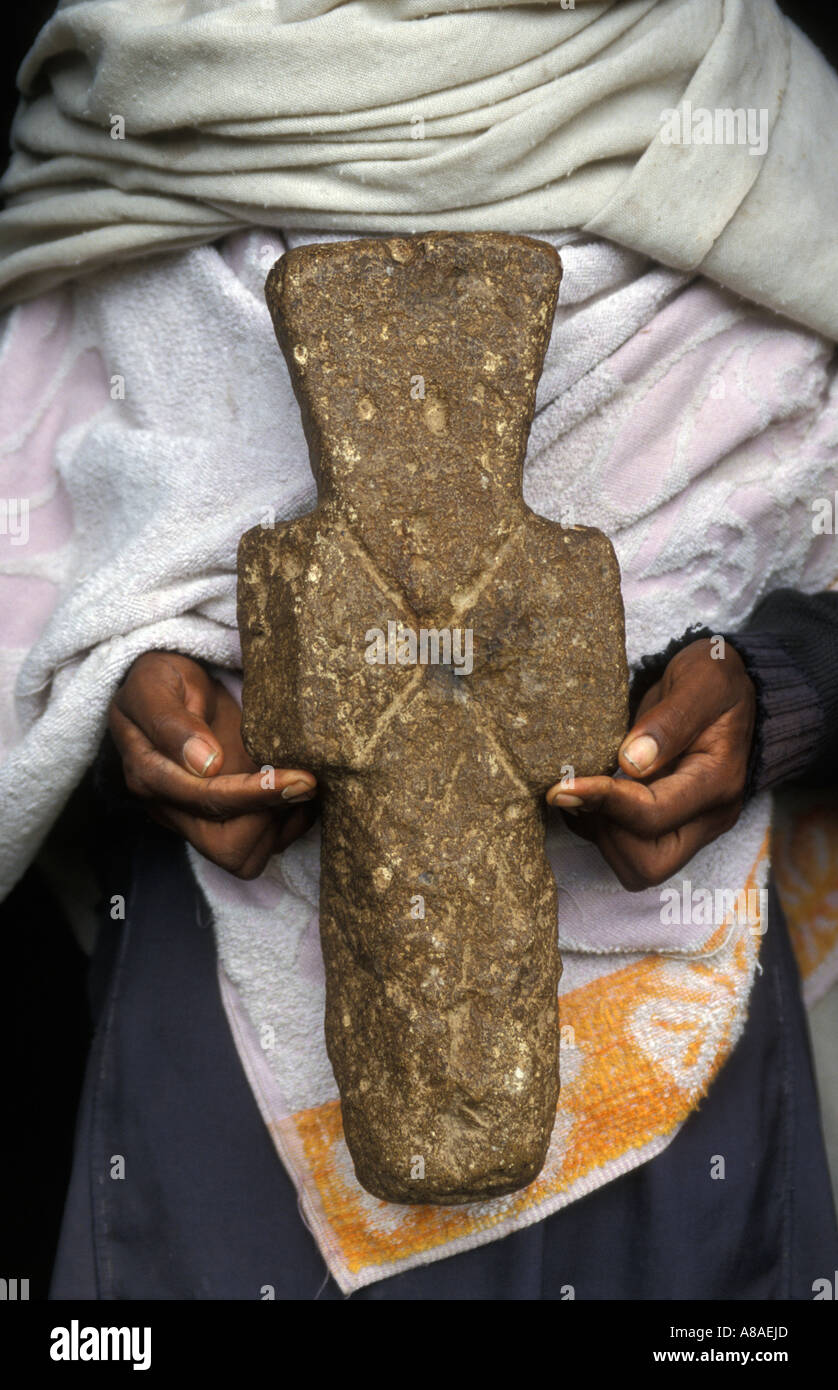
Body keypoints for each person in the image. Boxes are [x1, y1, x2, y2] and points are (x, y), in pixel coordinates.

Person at [1, 0, 837, 1298]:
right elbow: (41, 566)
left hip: (669, 1057)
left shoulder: (732, 99)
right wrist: (127, 721)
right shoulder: (145, 78)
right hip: (224, 1033)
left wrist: (780, 687)